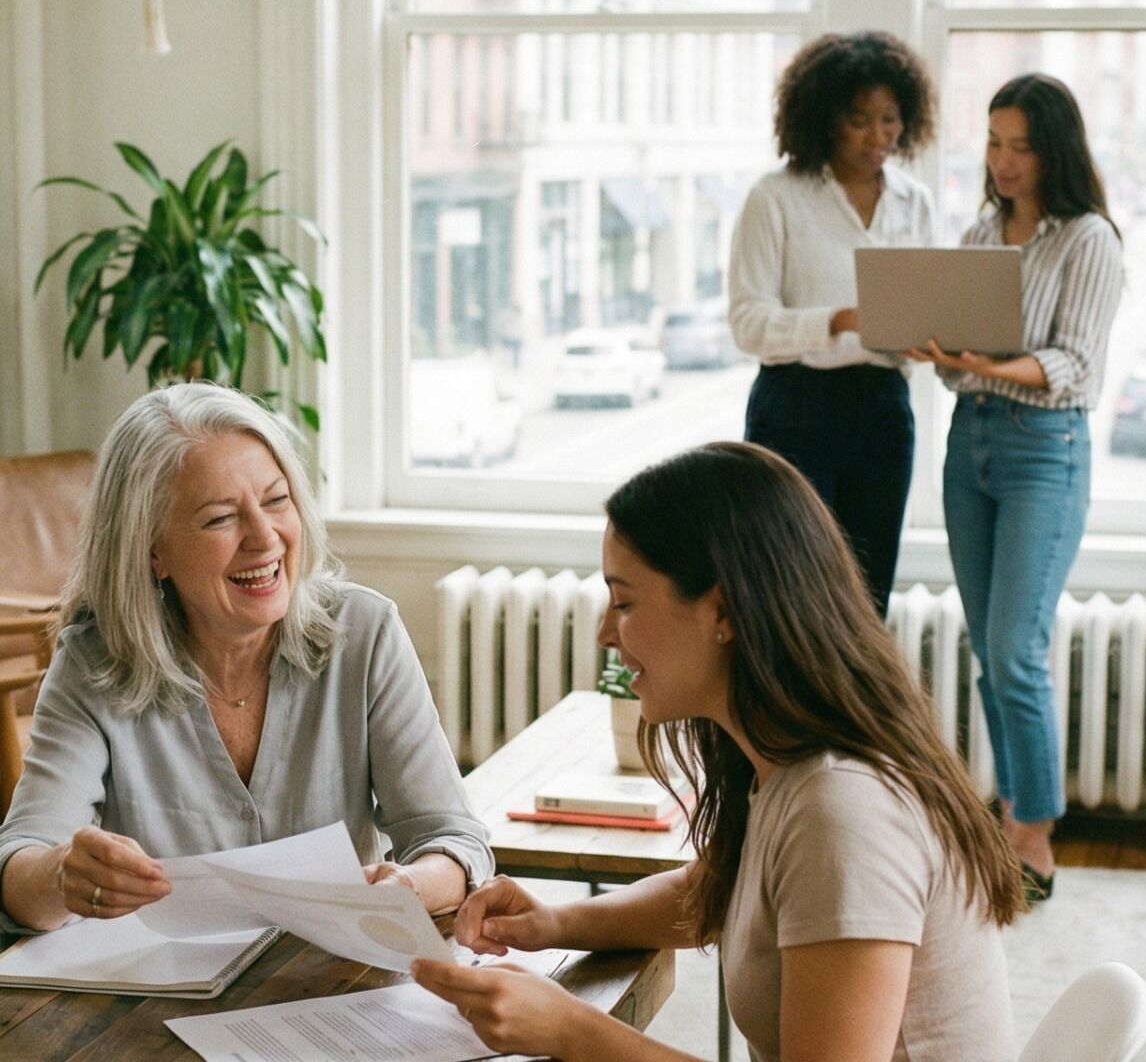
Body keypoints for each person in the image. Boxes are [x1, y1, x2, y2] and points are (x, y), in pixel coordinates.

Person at [411, 442, 1024, 1062]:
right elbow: (716, 889)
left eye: (624, 602)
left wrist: (572, 1030)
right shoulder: (785, 763)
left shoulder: (842, 811)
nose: (604, 633)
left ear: (724, 610)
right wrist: (554, 923)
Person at [0, 383, 490, 932]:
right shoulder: (95, 663)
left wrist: (408, 885)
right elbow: (11, 868)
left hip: (339, 973)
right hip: (159, 982)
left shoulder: (366, 633)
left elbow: (453, 840)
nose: (265, 538)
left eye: (276, 500)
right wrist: (61, 876)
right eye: (220, 518)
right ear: (152, 549)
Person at [904, 73, 1124, 900]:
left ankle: (1035, 835)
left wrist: (987, 363)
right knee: (987, 650)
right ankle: (1006, 816)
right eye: (994, 143)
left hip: (1044, 450)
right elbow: (963, 371)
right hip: (972, 444)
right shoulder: (978, 233)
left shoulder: (1088, 239)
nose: (1002, 160)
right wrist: (945, 353)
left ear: (1053, 151)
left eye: (1021, 146)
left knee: (1014, 651)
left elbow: (1077, 366)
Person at [729, 30, 938, 616]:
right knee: (789, 598)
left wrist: (931, 336)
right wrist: (840, 321)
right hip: (794, 408)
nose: (879, 137)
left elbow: (923, 307)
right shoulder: (775, 197)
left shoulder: (915, 201)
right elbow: (748, 323)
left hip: (883, 408)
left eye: (890, 120)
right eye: (859, 120)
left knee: (868, 601)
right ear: (824, 118)